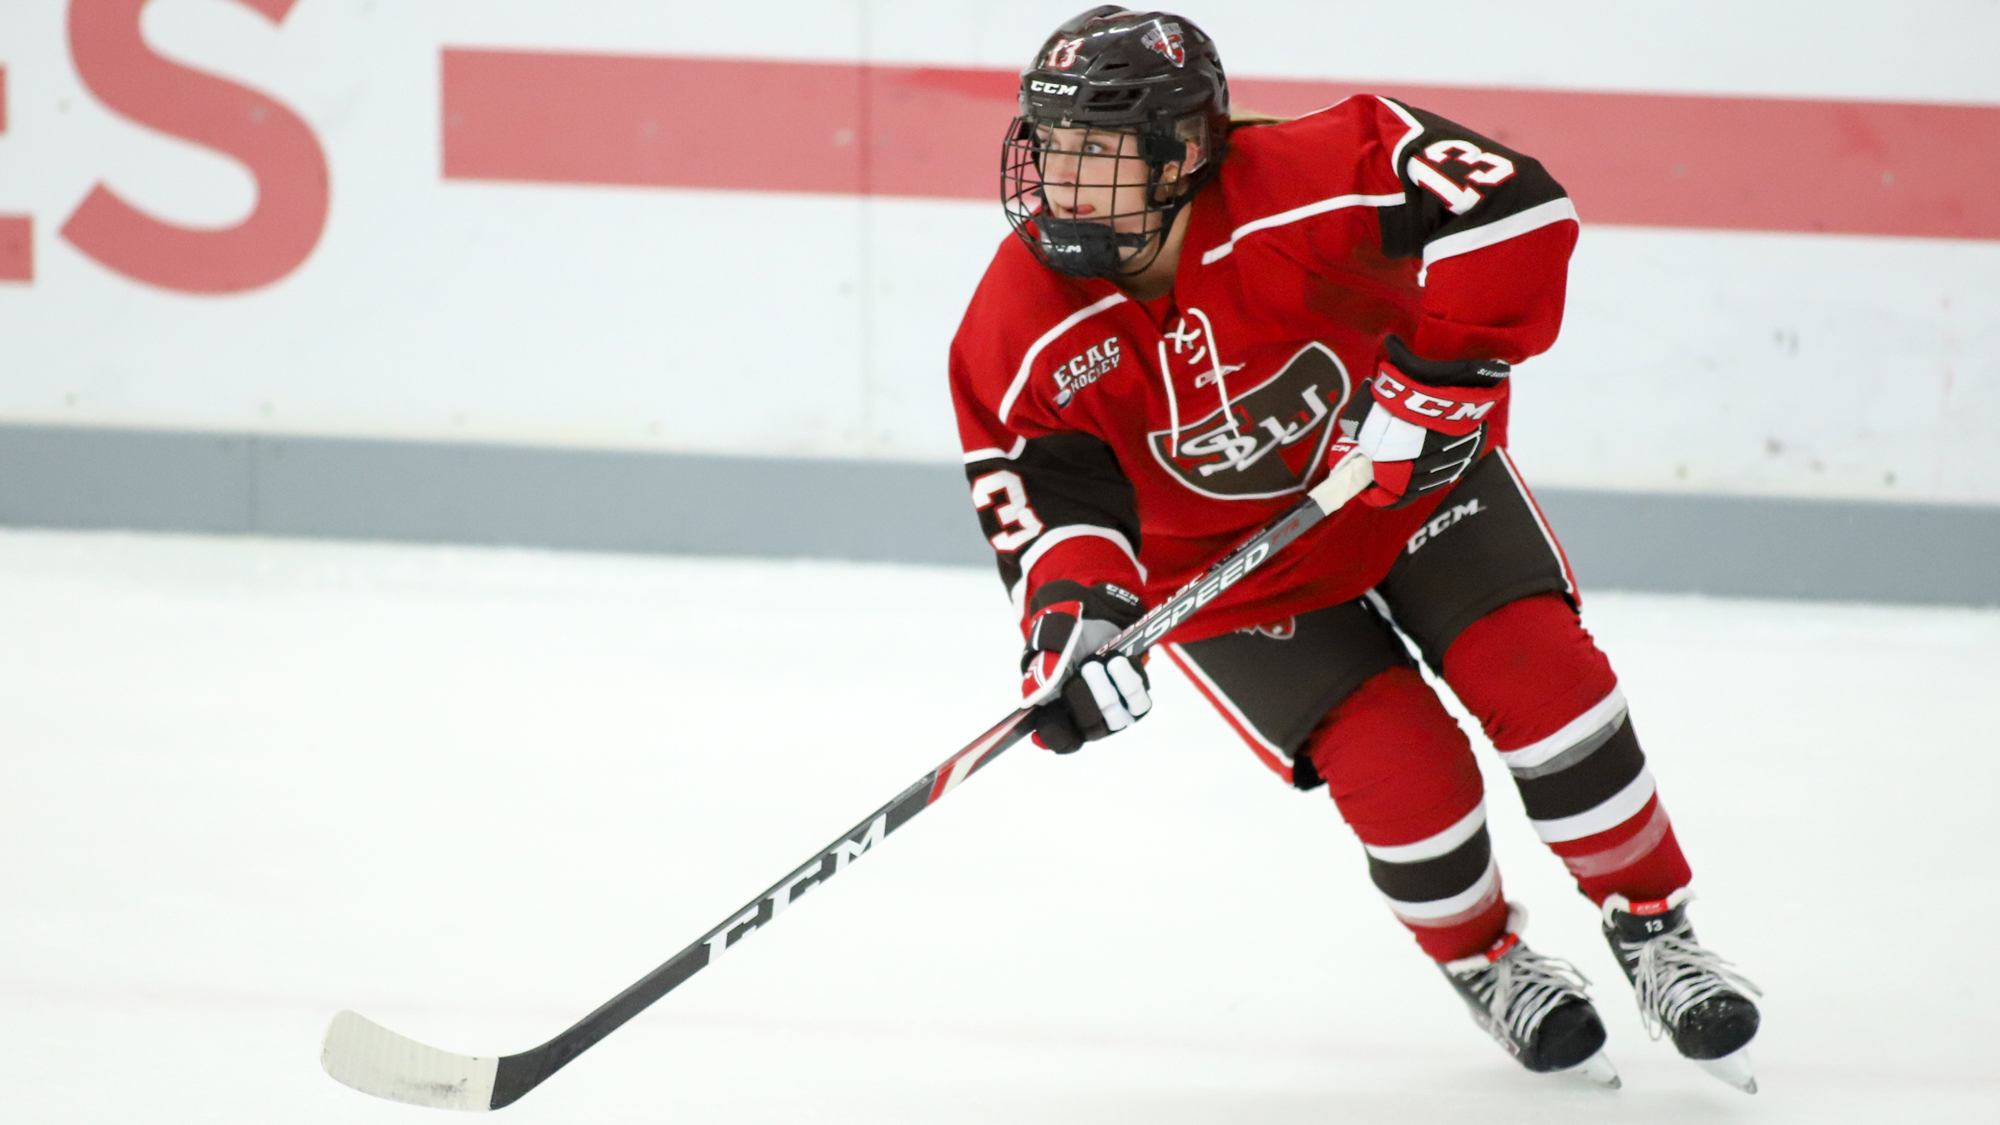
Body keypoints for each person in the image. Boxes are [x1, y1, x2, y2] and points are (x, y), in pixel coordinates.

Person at [950, 6, 1763, 1092]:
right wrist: (1074, 627)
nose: (1059, 180)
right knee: (1400, 771)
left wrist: (1440, 383)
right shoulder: (1014, 322)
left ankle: (1652, 925)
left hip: (1407, 484)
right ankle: (1484, 961)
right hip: (1226, 579)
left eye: (1096, 152)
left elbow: (1514, 207)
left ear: (1185, 150)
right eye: (1049, 146)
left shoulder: (1321, 166)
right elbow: (1053, 508)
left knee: (1542, 682)